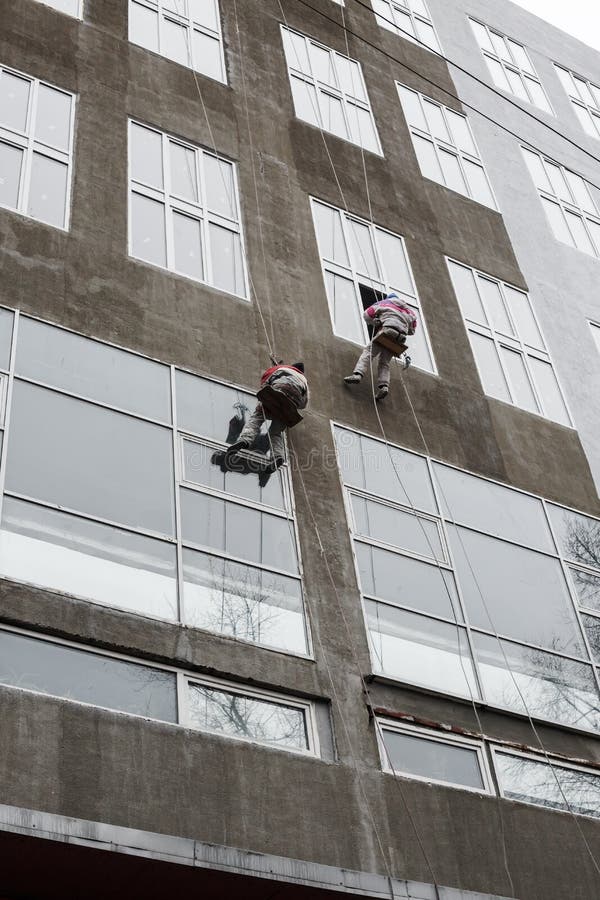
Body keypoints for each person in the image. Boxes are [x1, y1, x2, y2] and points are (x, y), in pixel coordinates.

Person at [225, 362, 308, 469]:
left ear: (292, 366)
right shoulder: (304, 381)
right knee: (276, 432)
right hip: (290, 405)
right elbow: (304, 404)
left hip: (276, 393)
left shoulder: (280, 369)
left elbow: (265, 380)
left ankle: (245, 440)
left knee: (257, 418)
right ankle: (278, 456)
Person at [344, 293, 417, 400]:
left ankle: (358, 374)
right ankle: (384, 386)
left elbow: (367, 314)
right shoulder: (409, 311)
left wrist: (375, 321)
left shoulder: (384, 303)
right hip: (400, 338)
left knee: (369, 352)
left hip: (387, 330)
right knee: (384, 362)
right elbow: (412, 330)